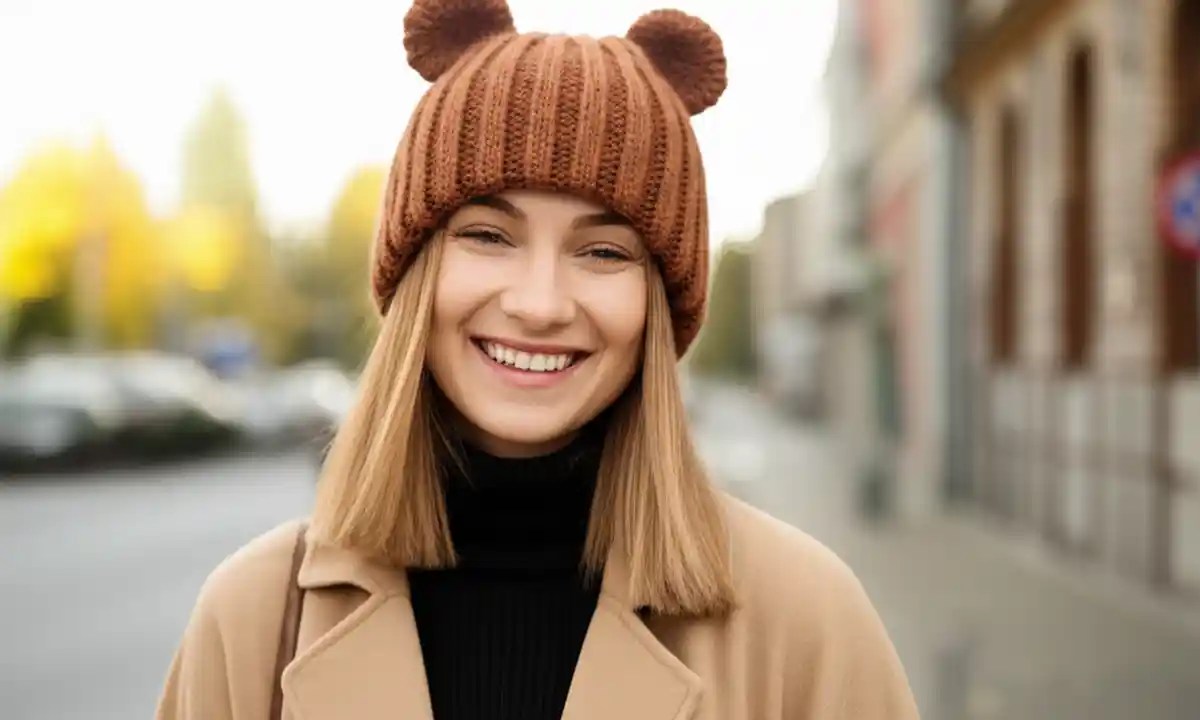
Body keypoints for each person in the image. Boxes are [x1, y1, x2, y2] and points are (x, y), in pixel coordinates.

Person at [157, 0, 919, 718]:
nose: (540, 302)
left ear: (658, 305)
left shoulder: (807, 619)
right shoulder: (254, 618)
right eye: (488, 235)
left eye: (603, 250)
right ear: (416, 273)